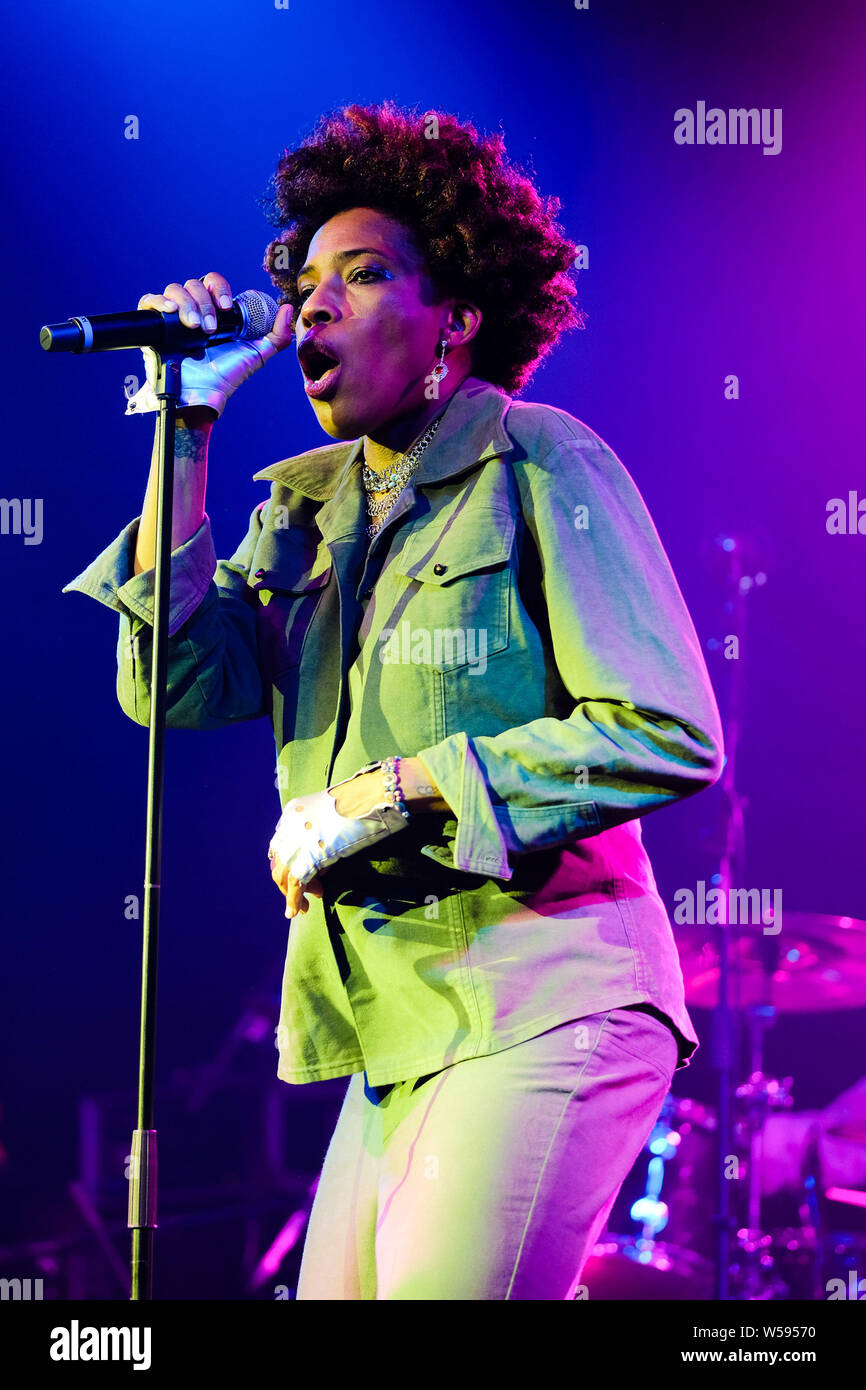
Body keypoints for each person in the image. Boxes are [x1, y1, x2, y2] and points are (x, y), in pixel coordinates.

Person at [63, 101, 724, 1300]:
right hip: (393, 1030)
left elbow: (664, 729)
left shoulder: (539, 458)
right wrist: (184, 429)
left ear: (454, 319)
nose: (311, 307)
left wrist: (400, 790)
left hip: (542, 994)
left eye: (361, 276)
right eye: (303, 283)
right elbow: (173, 685)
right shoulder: (302, 513)